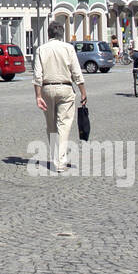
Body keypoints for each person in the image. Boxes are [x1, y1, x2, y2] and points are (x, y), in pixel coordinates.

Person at [33, 21, 87, 175]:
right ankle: (60, 162)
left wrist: (37, 95)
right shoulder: (68, 48)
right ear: (62, 34)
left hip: (47, 89)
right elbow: (76, 72)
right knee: (63, 125)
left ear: (48, 34)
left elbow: (37, 75)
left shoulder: (41, 49)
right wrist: (83, 91)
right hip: (65, 87)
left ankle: (55, 157)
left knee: (51, 125)